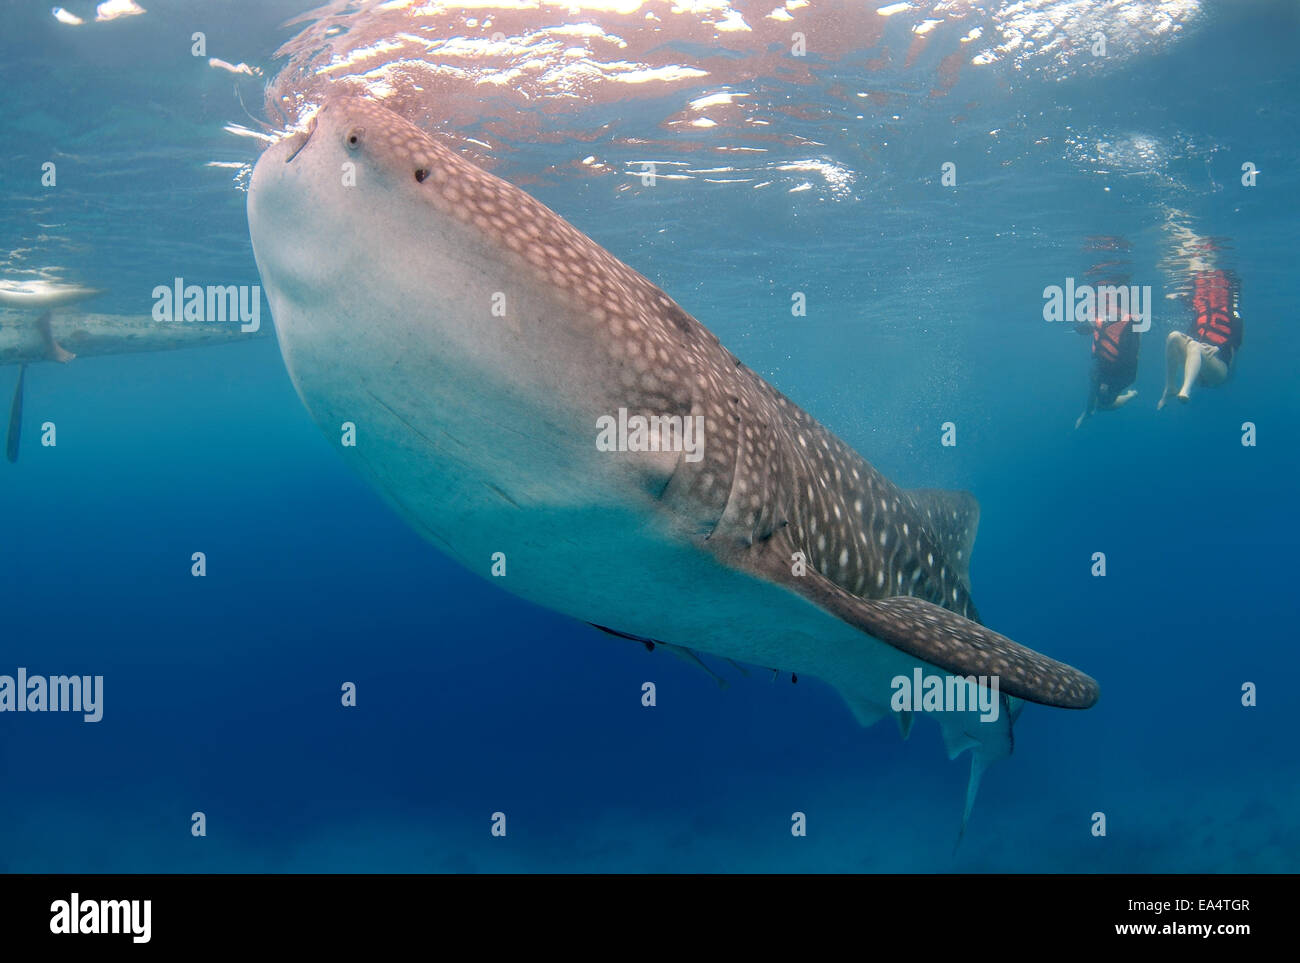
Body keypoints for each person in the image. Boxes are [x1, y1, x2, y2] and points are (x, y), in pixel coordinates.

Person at [1158, 268, 1242, 408]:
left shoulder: (1233, 314)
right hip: (1197, 367)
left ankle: (1186, 390)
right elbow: (1189, 337)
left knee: (1194, 345)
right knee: (1173, 336)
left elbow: (1236, 341)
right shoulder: (1201, 314)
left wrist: (1219, 348)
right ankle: (1170, 387)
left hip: (1218, 370)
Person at [1074, 287, 1140, 429]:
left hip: (1122, 371)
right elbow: (1086, 327)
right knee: (1095, 379)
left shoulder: (1128, 319)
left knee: (1103, 405)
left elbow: (1132, 355)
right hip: (1104, 365)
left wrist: (1108, 380)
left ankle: (1130, 395)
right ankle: (1088, 411)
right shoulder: (1099, 315)